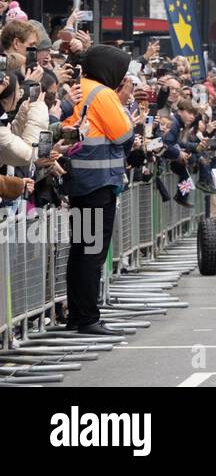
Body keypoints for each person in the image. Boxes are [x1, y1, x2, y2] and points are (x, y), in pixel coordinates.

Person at [60, 44, 134, 334]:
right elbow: (123, 133)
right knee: (92, 252)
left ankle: (78, 315)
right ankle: (88, 317)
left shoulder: (82, 87)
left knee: (80, 250)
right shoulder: (102, 93)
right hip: (98, 183)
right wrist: (124, 108)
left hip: (81, 183)